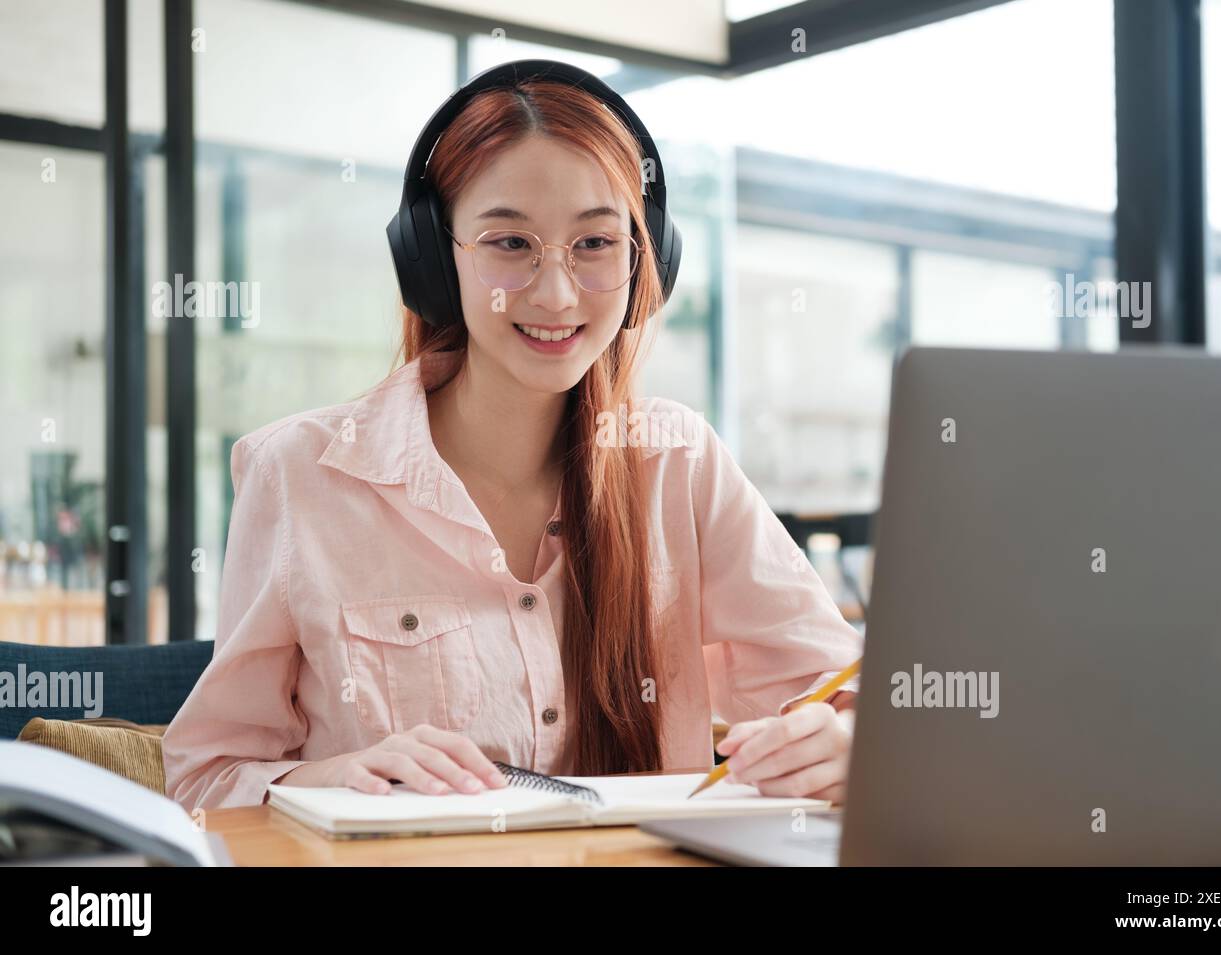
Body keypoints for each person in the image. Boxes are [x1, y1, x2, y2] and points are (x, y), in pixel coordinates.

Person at [163, 64, 861, 812]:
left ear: (643, 256)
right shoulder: (302, 475)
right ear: (432, 258)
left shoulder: (676, 461)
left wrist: (846, 746)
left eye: (595, 242)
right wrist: (338, 777)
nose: (556, 294)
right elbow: (205, 778)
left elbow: (841, 694)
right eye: (509, 243)